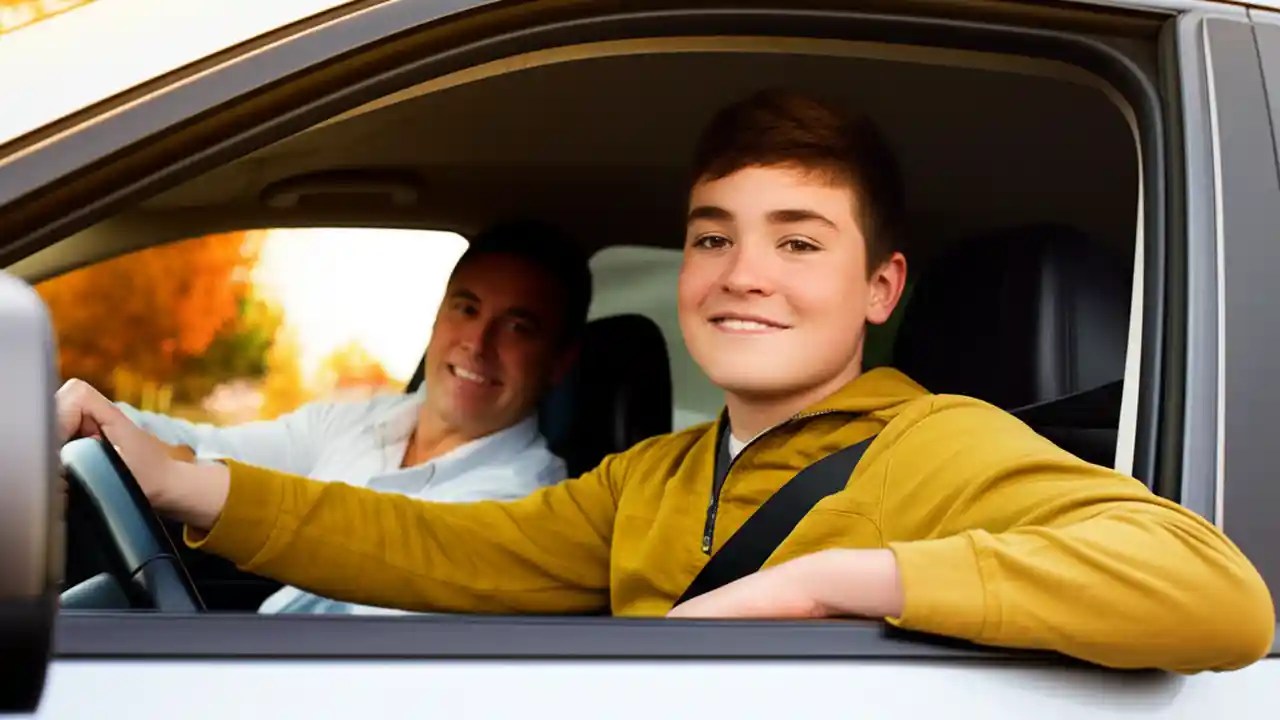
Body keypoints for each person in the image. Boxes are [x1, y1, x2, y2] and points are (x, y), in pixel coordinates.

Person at [58, 89, 1274, 670]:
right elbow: (435, 552)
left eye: (798, 242)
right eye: (710, 236)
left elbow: (1217, 595)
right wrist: (189, 483)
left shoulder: (933, 443)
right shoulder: (657, 476)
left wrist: (824, 585)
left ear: (879, 290)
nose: (742, 275)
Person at [59, 219, 591, 614]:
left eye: (518, 327)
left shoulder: (527, 506)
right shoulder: (360, 420)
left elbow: (379, 593)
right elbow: (207, 446)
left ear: (560, 363)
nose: (477, 343)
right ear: (437, 315)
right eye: (467, 308)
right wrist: (81, 415)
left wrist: (177, 477)